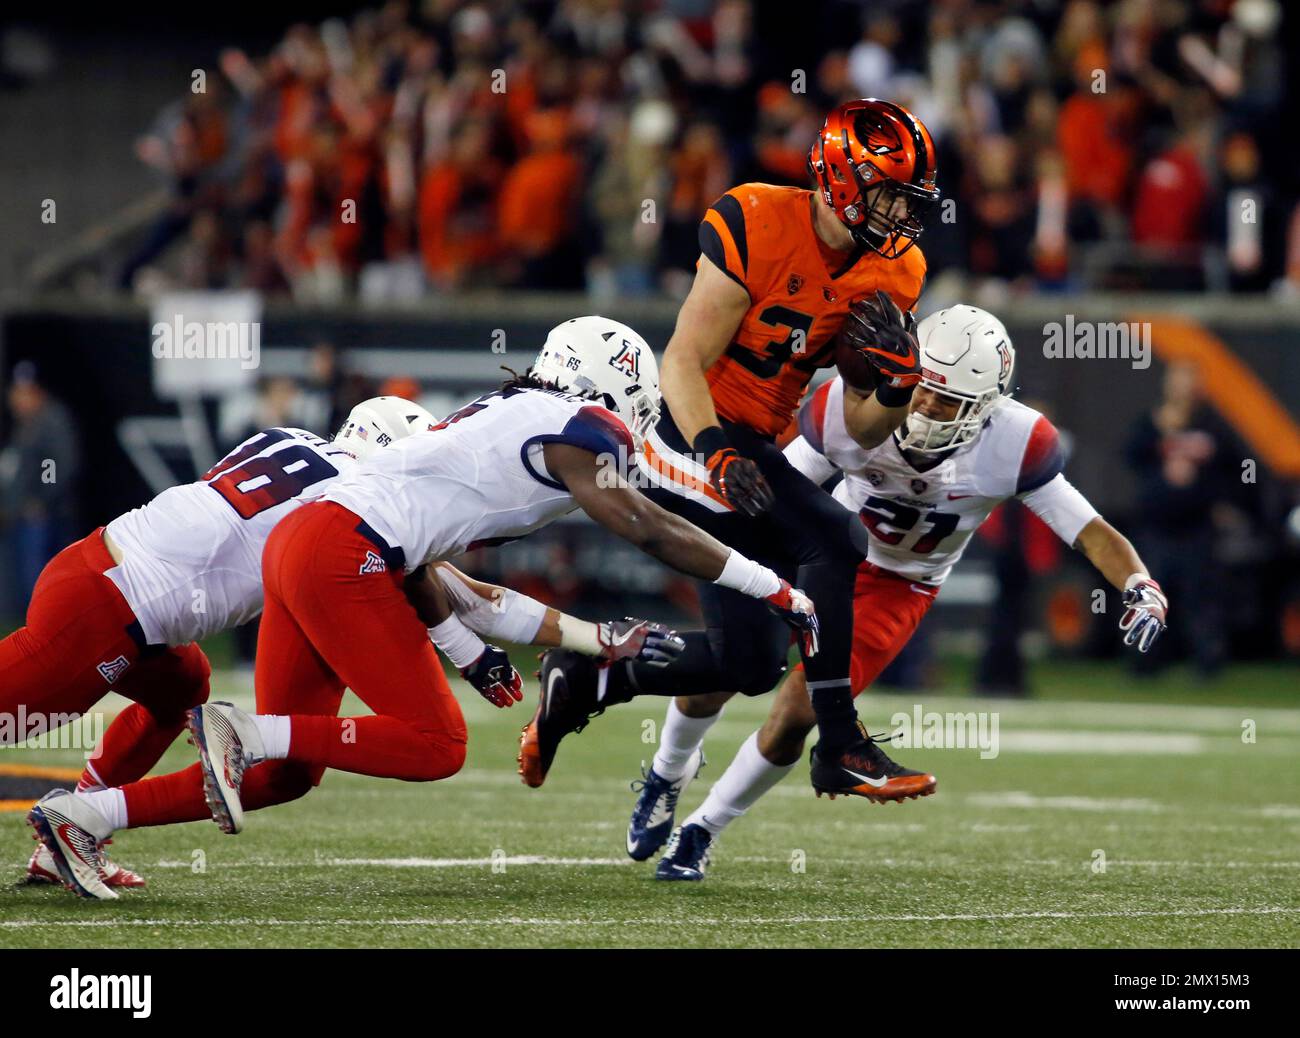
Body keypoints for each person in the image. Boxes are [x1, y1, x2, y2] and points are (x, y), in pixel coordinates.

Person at [29, 316, 818, 900]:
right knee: (437, 744)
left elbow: (447, 587)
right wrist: (773, 586)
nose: (632, 429)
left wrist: (561, 639)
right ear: (610, 387)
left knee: (291, 773)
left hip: (308, 553)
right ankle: (245, 729)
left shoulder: (503, 419)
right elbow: (652, 521)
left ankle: (87, 817)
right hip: (330, 553)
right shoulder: (577, 423)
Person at [632, 305, 1169, 880]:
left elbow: (1089, 533)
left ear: (986, 406)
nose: (926, 407)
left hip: (902, 585)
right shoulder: (854, 408)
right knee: (729, 665)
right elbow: (780, 495)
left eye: (948, 400)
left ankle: (701, 830)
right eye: (923, 389)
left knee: (797, 710)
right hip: (828, 556)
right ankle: (668, 771)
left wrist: (1140, 584)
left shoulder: (1016, 442)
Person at [521, 98, 941, 801]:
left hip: (752, 450)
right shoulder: (757, 218)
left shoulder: (895, 272)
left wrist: (897, 388)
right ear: (842, 175)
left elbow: (867, 428)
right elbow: (682, 359)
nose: (902, 216)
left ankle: (596, 672)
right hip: (685, 432)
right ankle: (840, 743)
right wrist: (715, 448)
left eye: (909, 201)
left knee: (749, 663)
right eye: (891, 195)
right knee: (835, 539)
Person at [7, 397, 434, 890]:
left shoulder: (292, 439)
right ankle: (72, 824)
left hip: (103, 573)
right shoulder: (351, 495)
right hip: (107, 609)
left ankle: (73, 829)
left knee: (185, 686)